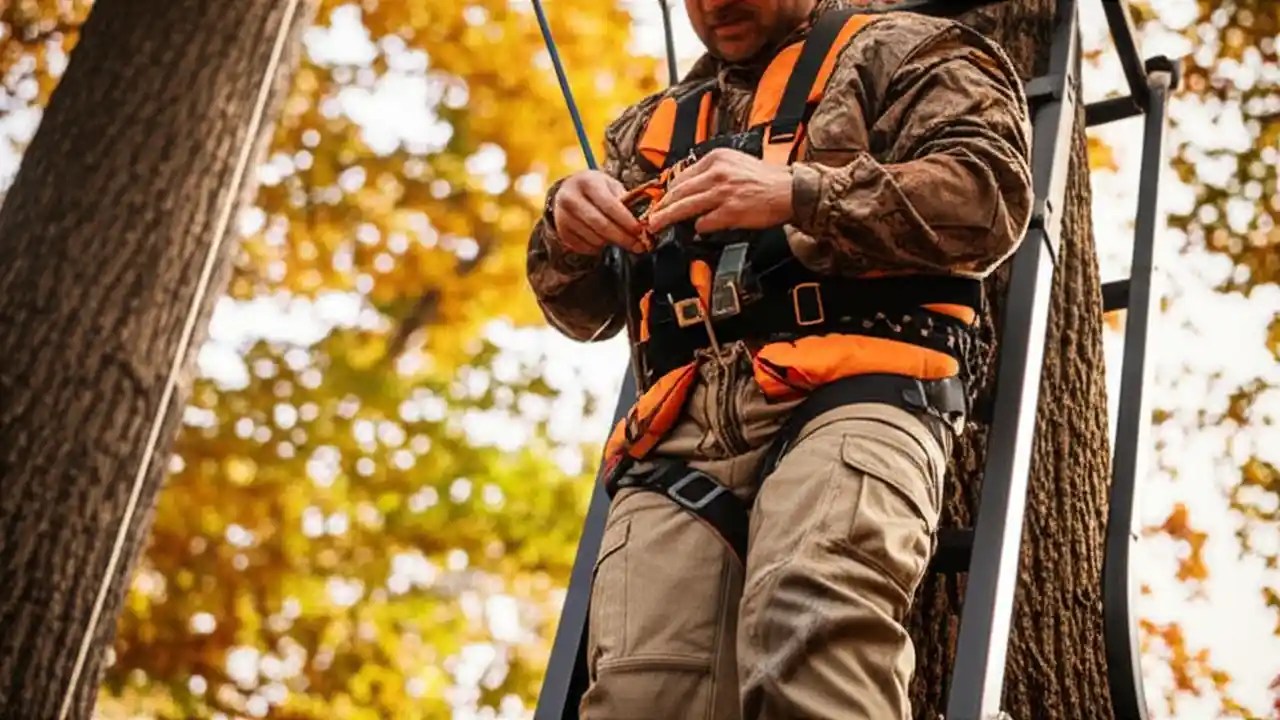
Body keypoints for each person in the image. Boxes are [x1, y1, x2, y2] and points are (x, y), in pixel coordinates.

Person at [525, 0, 1033, 717]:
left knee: (811, 624)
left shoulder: (905, 50)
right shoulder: (650, 126)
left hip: (856, 389)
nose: (715, 4)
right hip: (679, 438)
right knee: (641, 694)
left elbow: (992, 198)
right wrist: (568, 228)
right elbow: (583, 311)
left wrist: (799, 194)